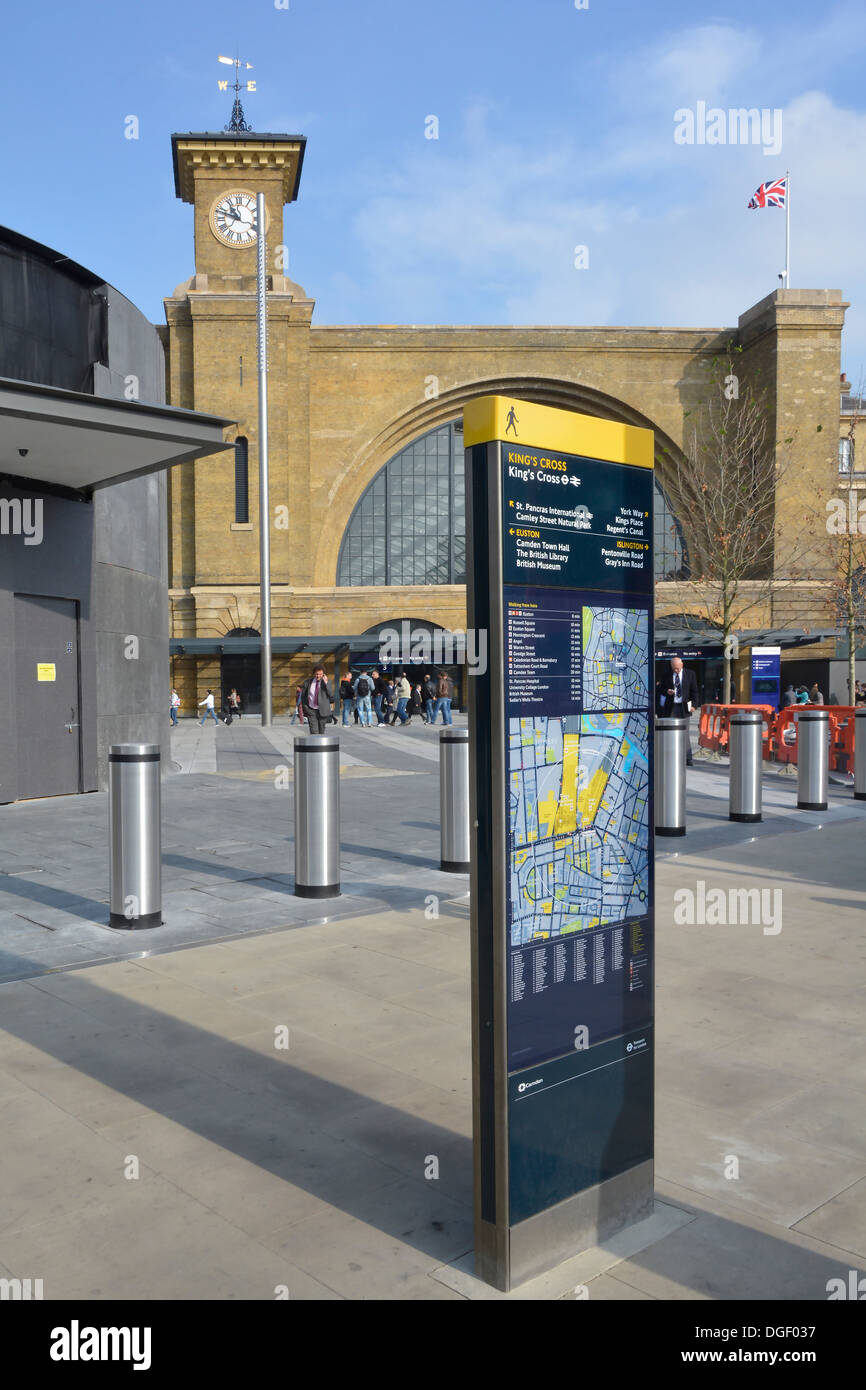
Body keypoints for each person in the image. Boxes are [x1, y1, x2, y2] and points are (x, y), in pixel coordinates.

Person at [660, 657, 698, 765]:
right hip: (670, 707)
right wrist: (667, 691)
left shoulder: (690, 674)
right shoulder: (666, 675)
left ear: (682, 665)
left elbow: (694, 691)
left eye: (677, 668)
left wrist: (694, 705)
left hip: (684, 708)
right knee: (668, 732)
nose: (676, 670)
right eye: (673, 668)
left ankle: (688, 758)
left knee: (685, 733)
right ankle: (669, 756)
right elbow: (660, 689)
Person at [300, 665, 332, 734]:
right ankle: (314, 744)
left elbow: (330, 695)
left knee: (321, 731)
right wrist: (305, 708)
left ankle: (320, 745)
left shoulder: (327, 682)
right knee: (314, 731)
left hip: (322, 710)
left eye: (320, 674)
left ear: (323, 674)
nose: (318, 676)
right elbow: (303, 696)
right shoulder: (308, 682)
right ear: (314, 673)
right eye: (317, 674)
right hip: (311, 710)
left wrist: (326, 684)